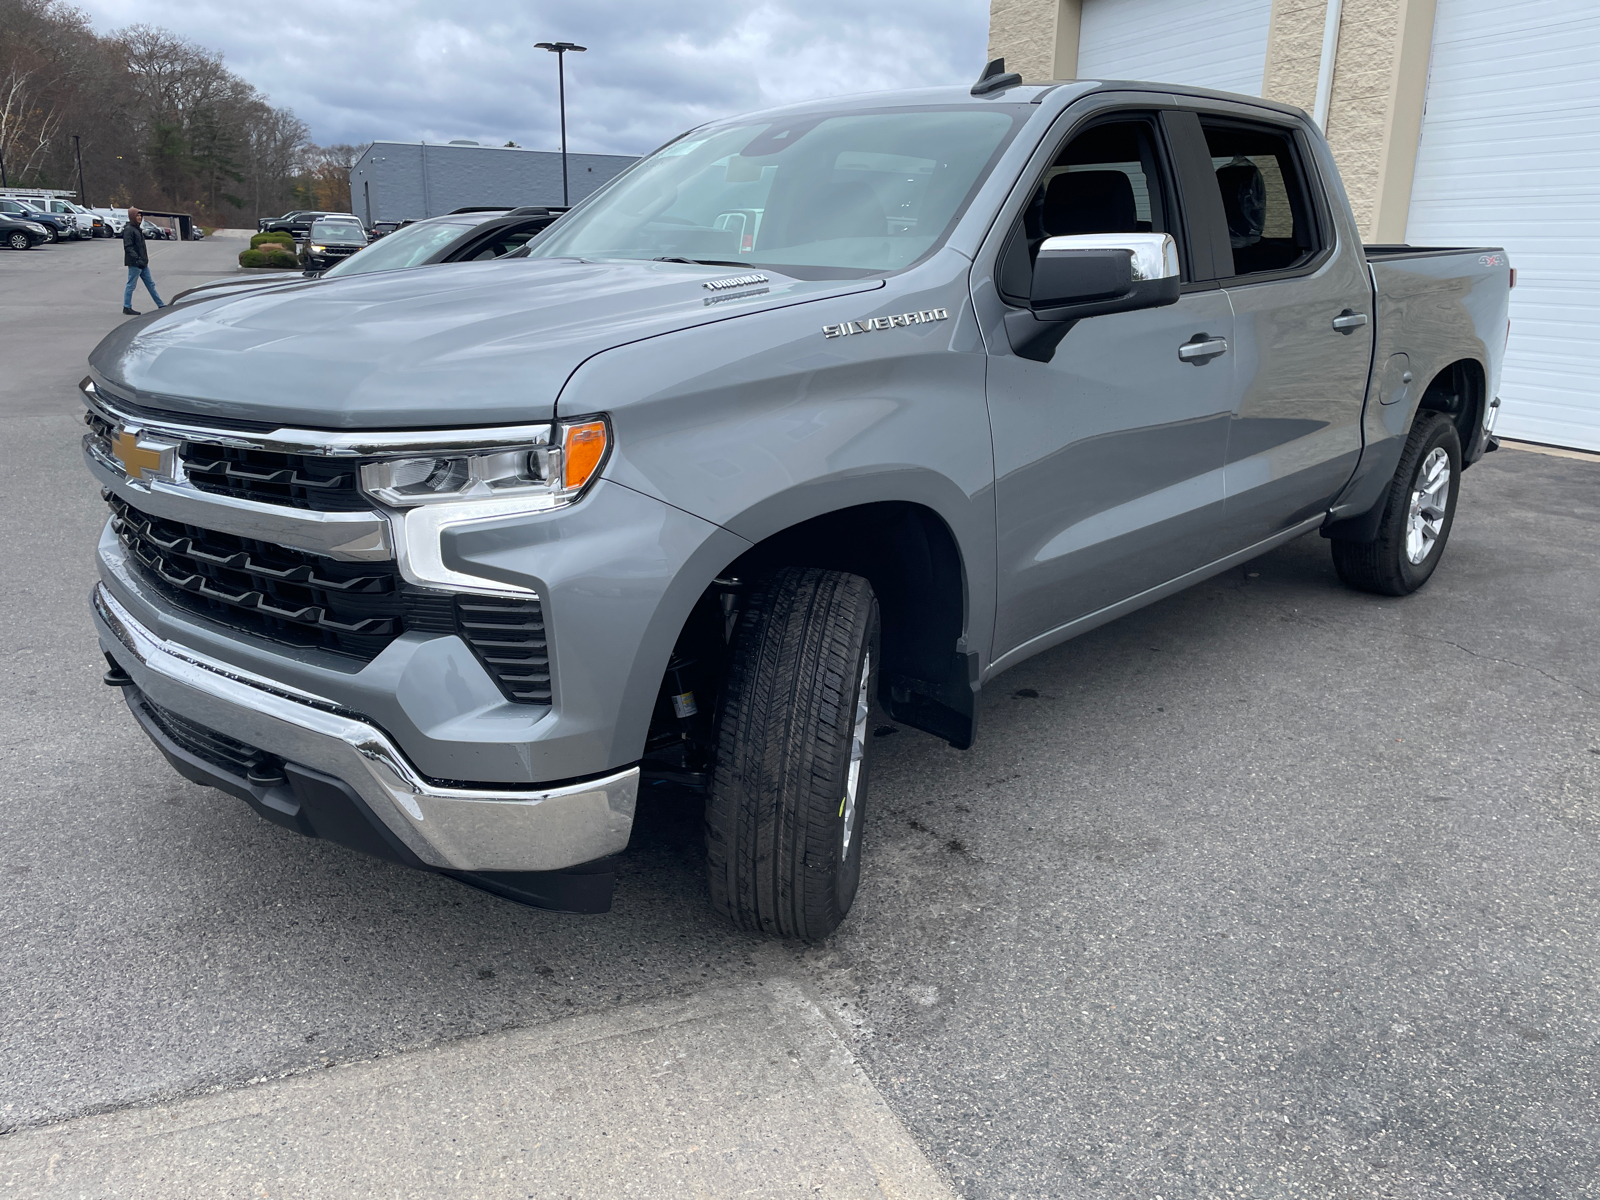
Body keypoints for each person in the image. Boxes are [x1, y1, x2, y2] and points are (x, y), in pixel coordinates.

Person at [121, 207, 165, 315]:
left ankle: (161, 305)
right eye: (137, 215)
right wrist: (137, 259)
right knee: (131, 285)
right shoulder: (129, 229)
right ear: (132, 217)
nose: (139, 217)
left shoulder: (137, 229)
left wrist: (143, 260)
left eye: (140, 215)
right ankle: (127, 307)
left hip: (143, 263)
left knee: (150, 284)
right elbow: (128, 247)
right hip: (135, 263)